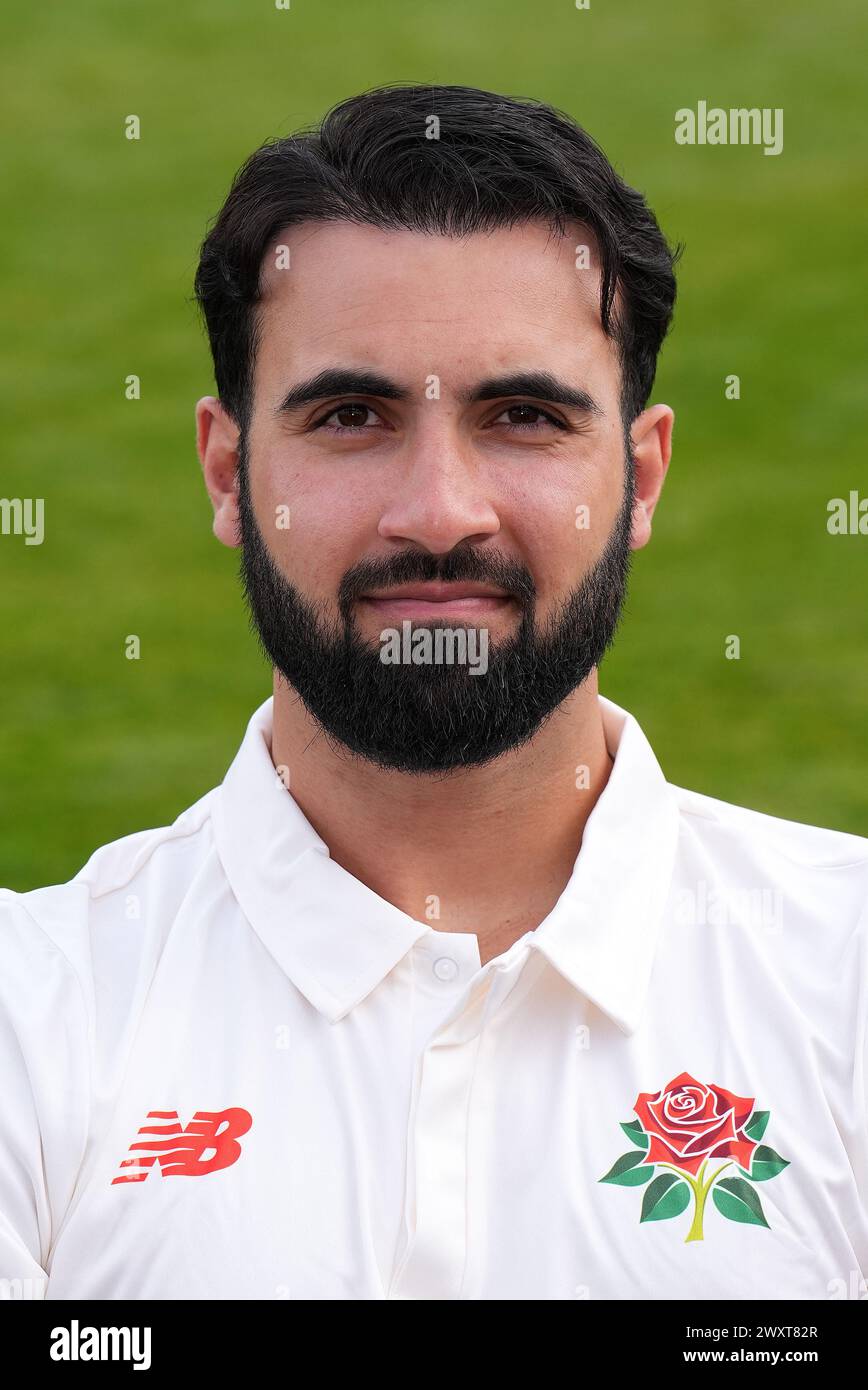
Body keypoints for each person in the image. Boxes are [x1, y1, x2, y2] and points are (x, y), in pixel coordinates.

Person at [1, 84, 865, 1303]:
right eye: (350, 416)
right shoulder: (31, 1013)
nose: (439, 512)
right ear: (228, 468)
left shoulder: (847, 975)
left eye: (523, 417)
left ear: (642, 473)